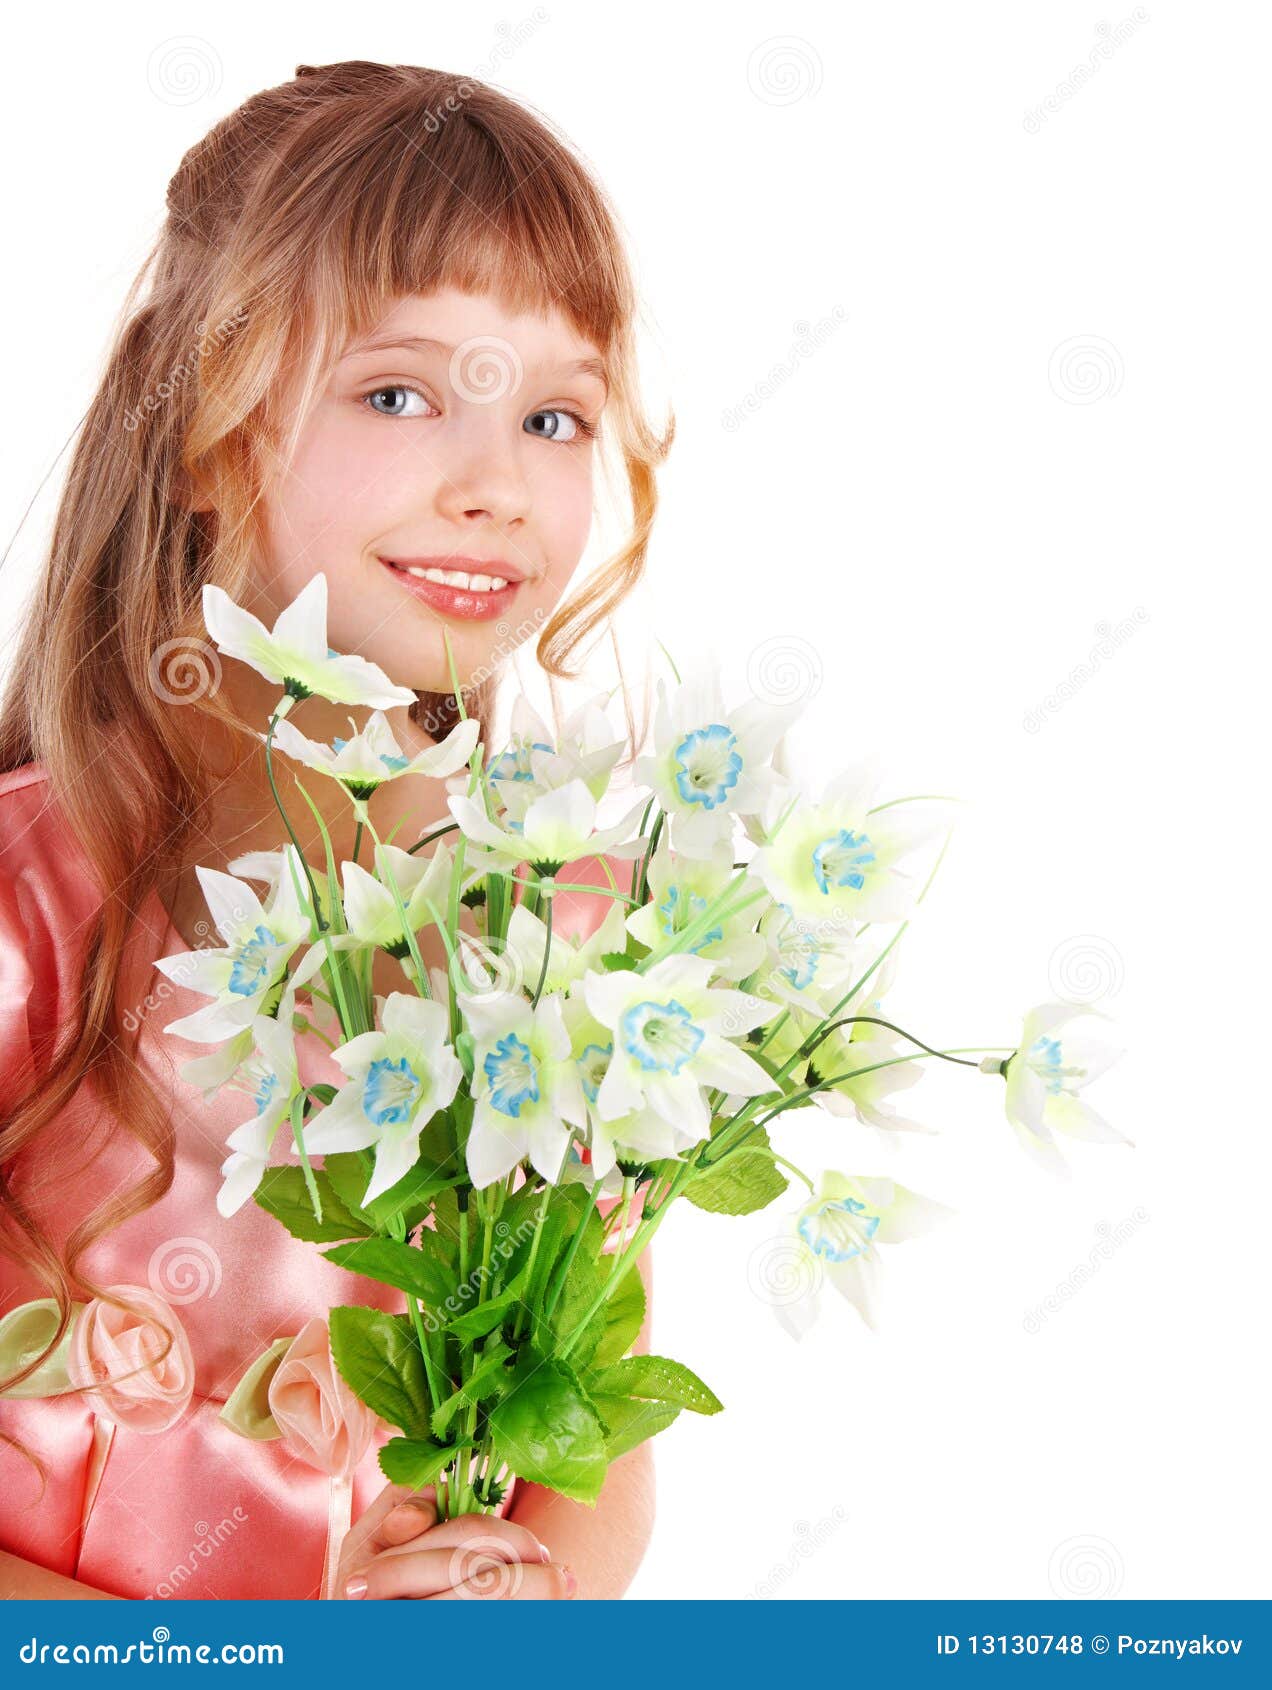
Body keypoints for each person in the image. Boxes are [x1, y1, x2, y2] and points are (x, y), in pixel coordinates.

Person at [0, 59, 671, 1600]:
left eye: (557, 413)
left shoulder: (567, 936)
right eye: (400, 392)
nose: (497, 483)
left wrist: (526, 1597)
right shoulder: (32, 910)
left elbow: (602, 1419)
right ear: (209, 433)